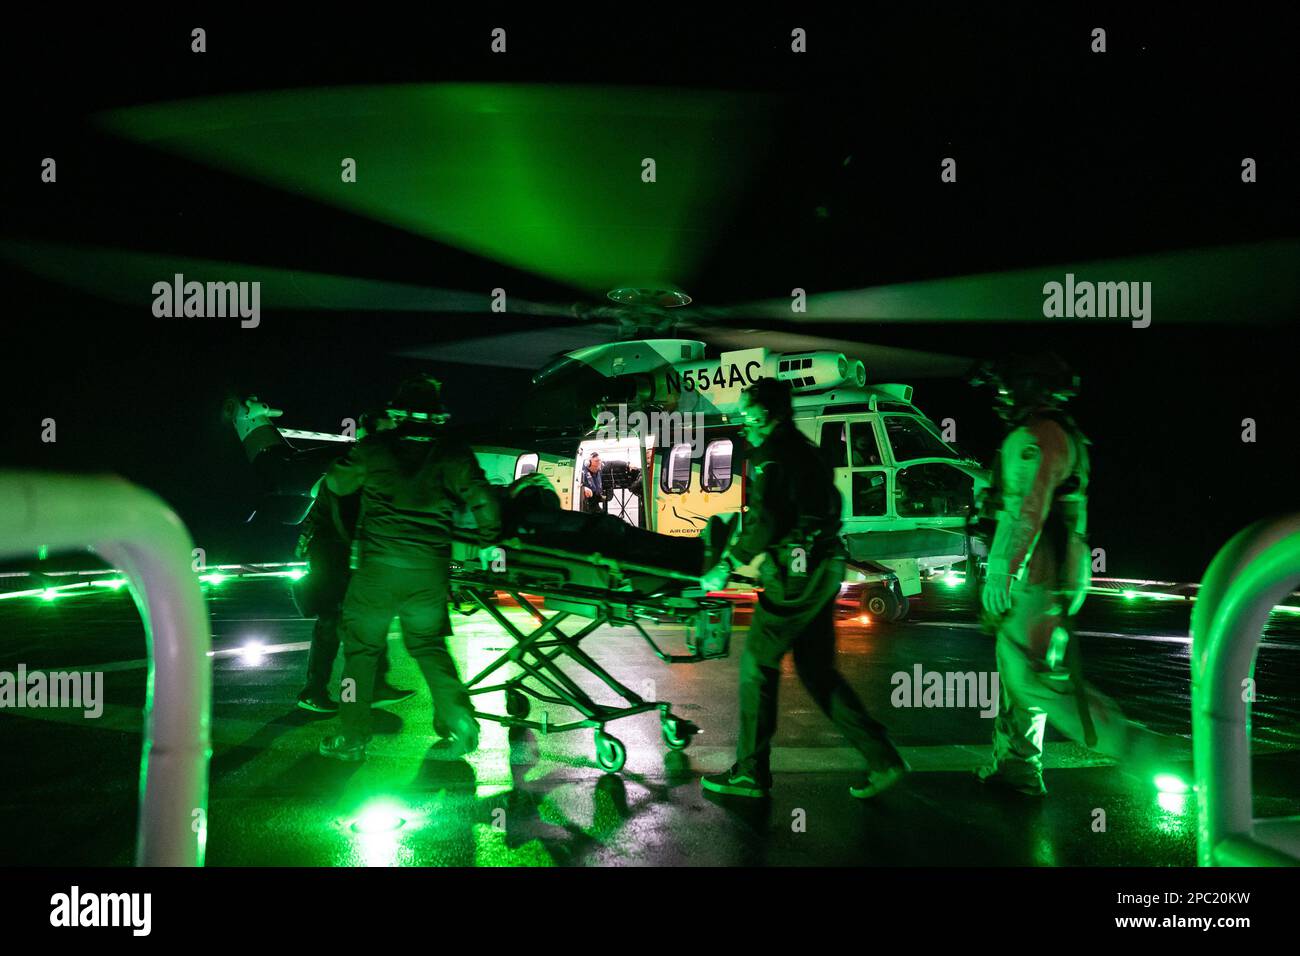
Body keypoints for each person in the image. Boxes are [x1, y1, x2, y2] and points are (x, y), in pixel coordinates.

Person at [970, 354, 1173, 795]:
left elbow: (1028, 510)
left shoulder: (1035, 437)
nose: (1001, 397)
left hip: (1035, 576)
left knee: (1031, 679)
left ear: (1027, 385)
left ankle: (1132, 744)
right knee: (1023, 675)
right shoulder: (1065, 435)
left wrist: (1000, 572)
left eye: (1006, 387)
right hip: (1059, 575)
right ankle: (1018, 767)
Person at [698, 378, 908, 800]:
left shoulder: (772, 456)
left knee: (758, 666)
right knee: (815, 671)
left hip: (797, 577)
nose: (745, 425)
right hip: (825, 566)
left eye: (749, 416)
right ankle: (883, 758)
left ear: (769, 415)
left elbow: (765, 522)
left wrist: (727, 563)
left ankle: (750, 773)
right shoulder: (807, 449)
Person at [318, 376, 502, 762]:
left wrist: (357, 454)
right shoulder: (454, 454)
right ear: (437, 416)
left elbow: (335, 483)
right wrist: (490, 543)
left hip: (377, 573)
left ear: (397, 413)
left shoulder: (374, 449)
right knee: (430, 646)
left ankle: (352, 737)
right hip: (428, 572)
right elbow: (483, 498)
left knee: (361, 653)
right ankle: (460, 722)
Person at [292, 412, 414, 714]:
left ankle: (371, 687)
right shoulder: (359, 464)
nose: (395, 436)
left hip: (341, 555)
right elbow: (353, 514)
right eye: (388, 431)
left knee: (366, 619)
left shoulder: (361, 463)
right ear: (371, 434)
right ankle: (314, 691)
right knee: (333, 623)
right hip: (335, 557)